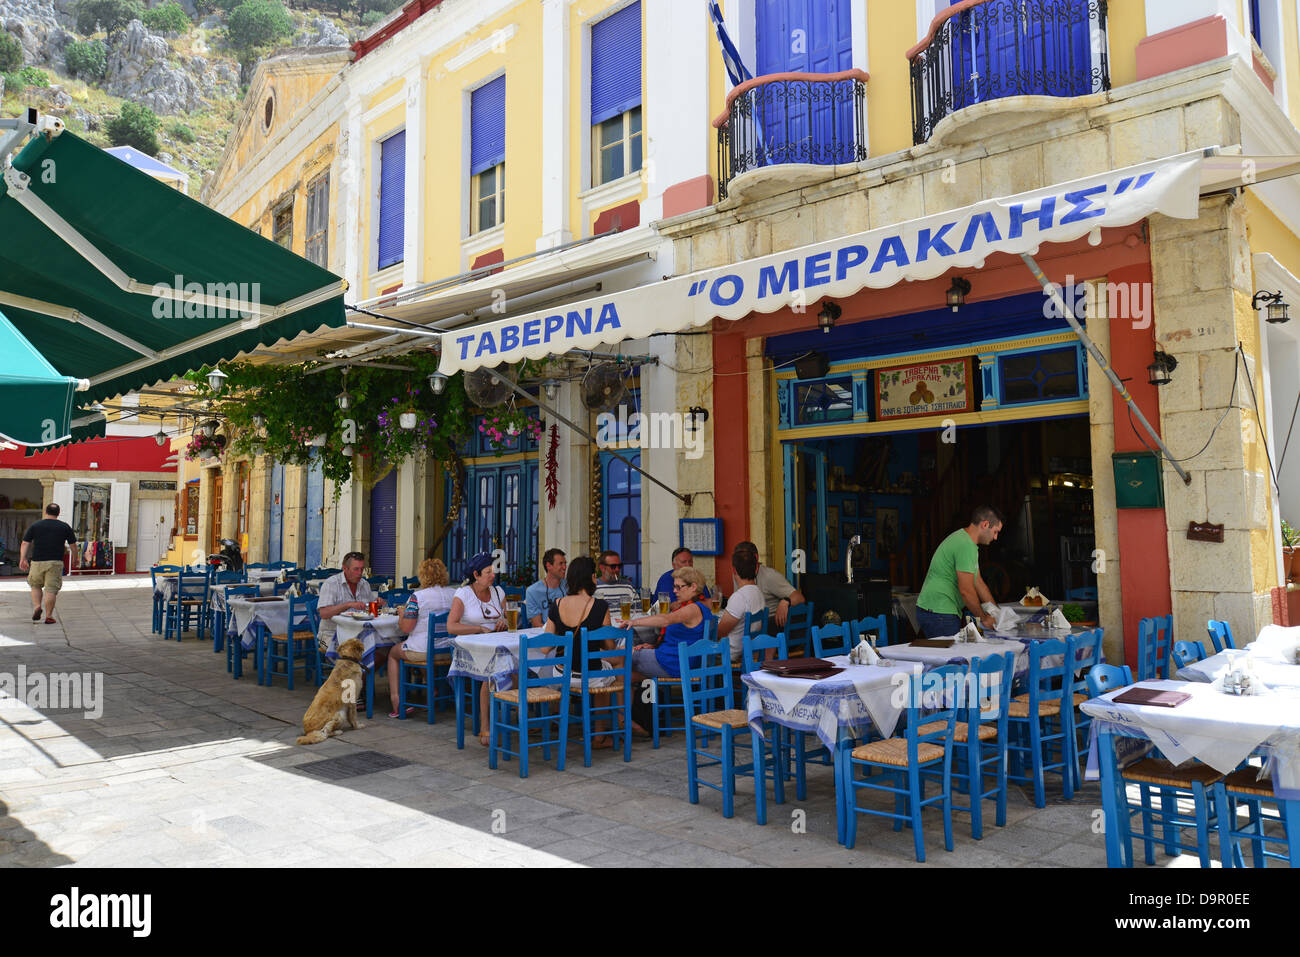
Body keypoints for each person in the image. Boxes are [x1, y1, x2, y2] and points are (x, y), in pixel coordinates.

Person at [620, 566, 713, 735]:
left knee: (619, 655)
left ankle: (622, 721)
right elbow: (681, 637)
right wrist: (654, 646)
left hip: (673, 663)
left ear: (693, 587)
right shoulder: (702, 607)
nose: (674, 591)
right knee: (622, 676)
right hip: (681, 662)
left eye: (679, 587)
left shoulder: (692, 609)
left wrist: (634, 622)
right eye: (674, 586)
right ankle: (633, 720)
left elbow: (665, 620)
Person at [543, 556, 619, 745]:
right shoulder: (600, 606)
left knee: (602, 669)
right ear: (592, 577)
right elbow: (609, 648)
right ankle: (604, 730)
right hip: (590, 676)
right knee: (613, 668)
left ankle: (566, 722)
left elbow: (546, 646)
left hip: (563, 674)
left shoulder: (558, 604)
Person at [446, 552, 508, 746]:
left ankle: (505, 718)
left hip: (495, 644)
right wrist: (478, 629)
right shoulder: (463, 594)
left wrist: (503, 622)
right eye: (488, 572)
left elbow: (506, 618)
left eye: (493, 571)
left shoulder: (498, 592)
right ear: (476, 574)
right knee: (493, 671)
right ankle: (486, 725)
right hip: (470, 647)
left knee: (511, 665)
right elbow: (451, 626)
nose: (492, 575)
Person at [915, 505, 1003, 638]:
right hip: (939, 612)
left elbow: (978, 583)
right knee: (952, 658)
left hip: (936, 610)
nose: (996, 537)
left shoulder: (967, 542)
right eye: (995, 532)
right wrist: (984, 619)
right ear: (985, 525)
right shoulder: (965, 546)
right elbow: (966, 591)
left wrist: (997, 614)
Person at [387, 558, 457, 718]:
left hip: (424, 651)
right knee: (415, 646)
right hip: (449, 651)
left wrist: (401, 615)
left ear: (422, 576)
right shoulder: (454, 594)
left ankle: (397, 701)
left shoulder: (417, 597)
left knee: (393, 653)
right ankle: (432, 690)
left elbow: (406, 627)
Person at [19, 503, 76, 624]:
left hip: (37, 561)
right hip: (55, 562)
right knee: (51, 589)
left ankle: (37, 607)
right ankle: (49, 616)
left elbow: (25, 543)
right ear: (58, 513)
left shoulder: (36, 525)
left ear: (46, 512)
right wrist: (75, 558)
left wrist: (22, 558)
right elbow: (73, 545)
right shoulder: (64, 527)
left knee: (35, 585)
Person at [733, 541, 806, 629]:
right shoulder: (736, 573)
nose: (739, 563)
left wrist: (785, 602)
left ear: (756, 557)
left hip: (770, 624)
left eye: (744, 559)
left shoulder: (769, 576)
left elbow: (799, 597)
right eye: (737, 559)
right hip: (747, 622)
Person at [316, 552, 378, 652]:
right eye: (356, 569)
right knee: (354, 652)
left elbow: (370, 608)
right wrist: (348, 605)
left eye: (362, 569)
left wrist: (377, 603)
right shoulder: (331, 583)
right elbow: (324, 613)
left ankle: (361, 667)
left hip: (358, 633)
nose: (359, 573)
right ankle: (356, 666)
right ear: (345, 568)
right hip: (330, 634)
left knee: (385, 646)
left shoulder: (364, 584)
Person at [716, 545, 765, 665]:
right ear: (756, 569)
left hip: (731, 653)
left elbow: (719, 632)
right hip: (747, 649)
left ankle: (698, 683)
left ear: (734, 570)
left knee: (695, 650)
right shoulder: (758, 593)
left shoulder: (739, 597)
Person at [526, 548, 568, 628]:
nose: (564, 567)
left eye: (565, 563)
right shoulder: (532, 591)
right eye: (561, 564)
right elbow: (537, 625)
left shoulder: (570, 587)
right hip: (546, 637)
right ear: (548, 566)